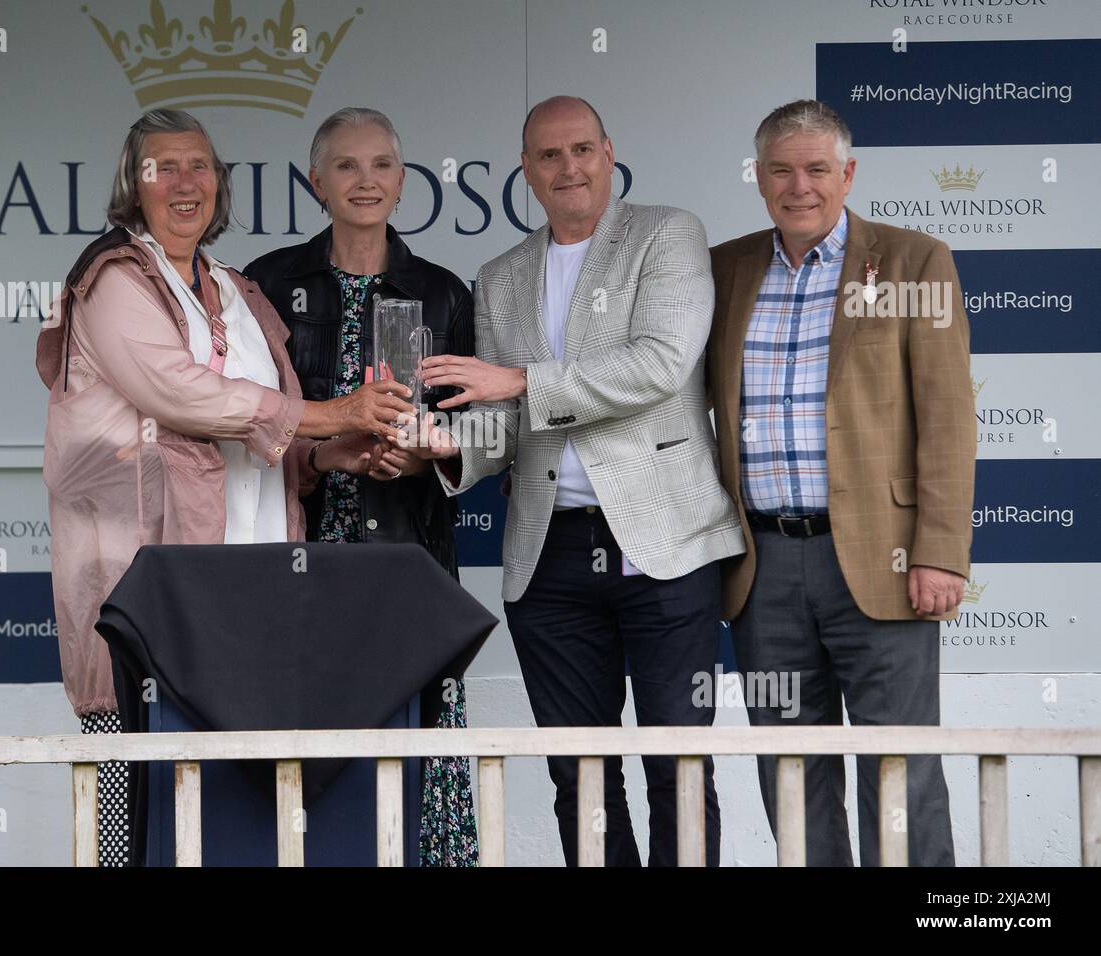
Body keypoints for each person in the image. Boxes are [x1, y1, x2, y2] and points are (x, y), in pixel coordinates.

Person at [35, 108, 411, 866]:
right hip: (148, 600)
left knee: (239, 818)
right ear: (132, 186)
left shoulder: (239, 291)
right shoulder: (111, 280)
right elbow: (183, 396)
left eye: (200, 166)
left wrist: (332, 453)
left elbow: (256, 449)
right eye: (163, 168)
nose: (185, 183)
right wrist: (326, 411)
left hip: (254, 603)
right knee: (136, 818)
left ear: (221, 184)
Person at [415, 96, 744, 866]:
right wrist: (444, 444)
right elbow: (502, 423)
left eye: (582, 150)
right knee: (580, 774)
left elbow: (660, 367)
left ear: (609, 153)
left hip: (665, 546)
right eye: (549, 156)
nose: (569, 167)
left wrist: (518, 380)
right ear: (526, 171)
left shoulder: (667, 234)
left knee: (678, 767)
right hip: (550, 558)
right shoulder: (500, 276)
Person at [706, 99, 976, 866]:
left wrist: (940, 553)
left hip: (886, 560)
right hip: (761, 567)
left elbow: (949, 420)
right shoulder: (725, 269)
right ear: (759, 179)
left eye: (817, 169)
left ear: (847, 173)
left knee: (900, 770)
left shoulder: (914, 261)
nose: (800, 187)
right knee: (791, 774)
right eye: (783, 170)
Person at [244, 107, 479, 867]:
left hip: (408, 559)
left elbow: (480, 432)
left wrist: (425, 457)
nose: (365, 180)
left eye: (381, 165)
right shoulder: (268, 284)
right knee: (299, 757)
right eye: (346, 166)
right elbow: (241, 426)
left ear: (404, 182)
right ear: (316, 180)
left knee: (412, 750)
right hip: (295, 558)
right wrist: (319, 457)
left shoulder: (443, 293)